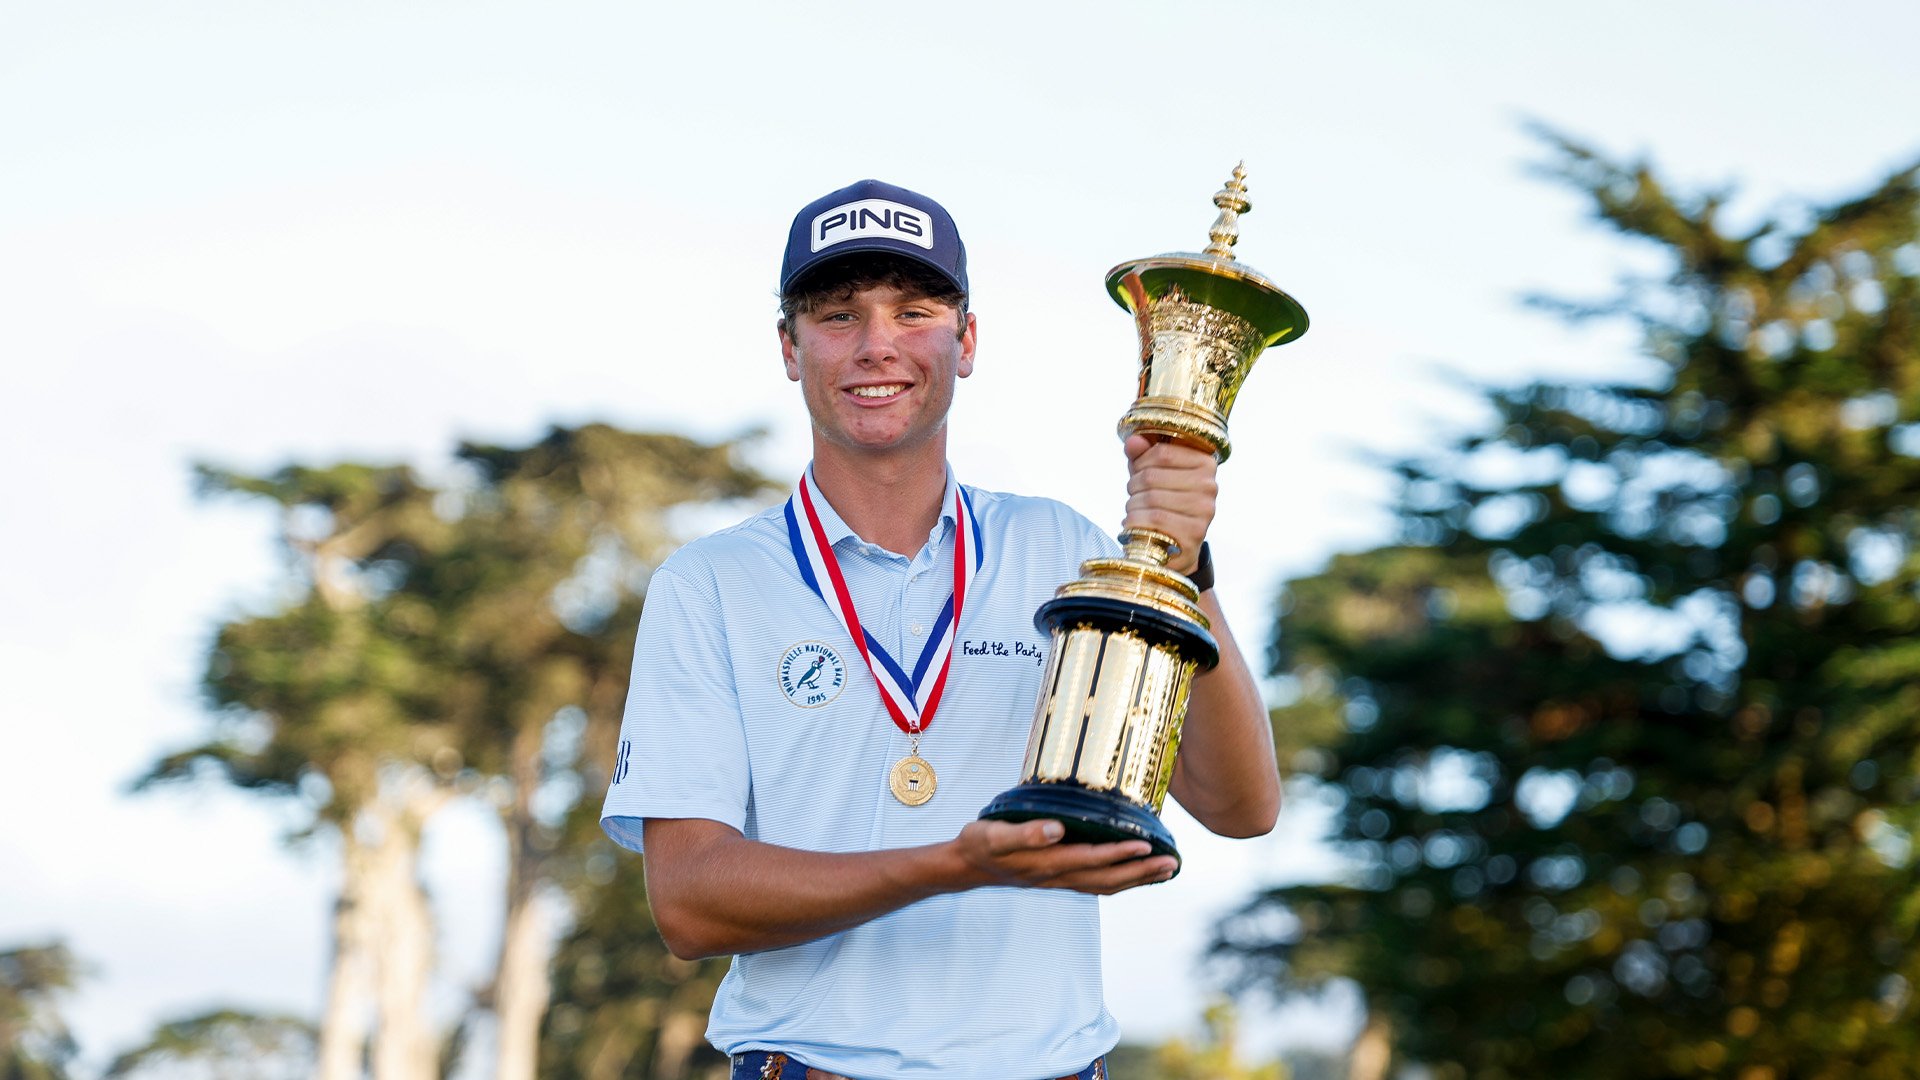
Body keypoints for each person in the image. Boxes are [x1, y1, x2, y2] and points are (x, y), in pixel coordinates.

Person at [601, 179, 1280, 1080]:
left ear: (966, 342)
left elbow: (1240, 807)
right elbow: (689, 903)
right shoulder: (709, 585)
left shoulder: (1066, 548)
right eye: (837, 315)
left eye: (914, 311)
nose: (876, 345)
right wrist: (956, 865)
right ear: (788, 349)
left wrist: (1187, 564)